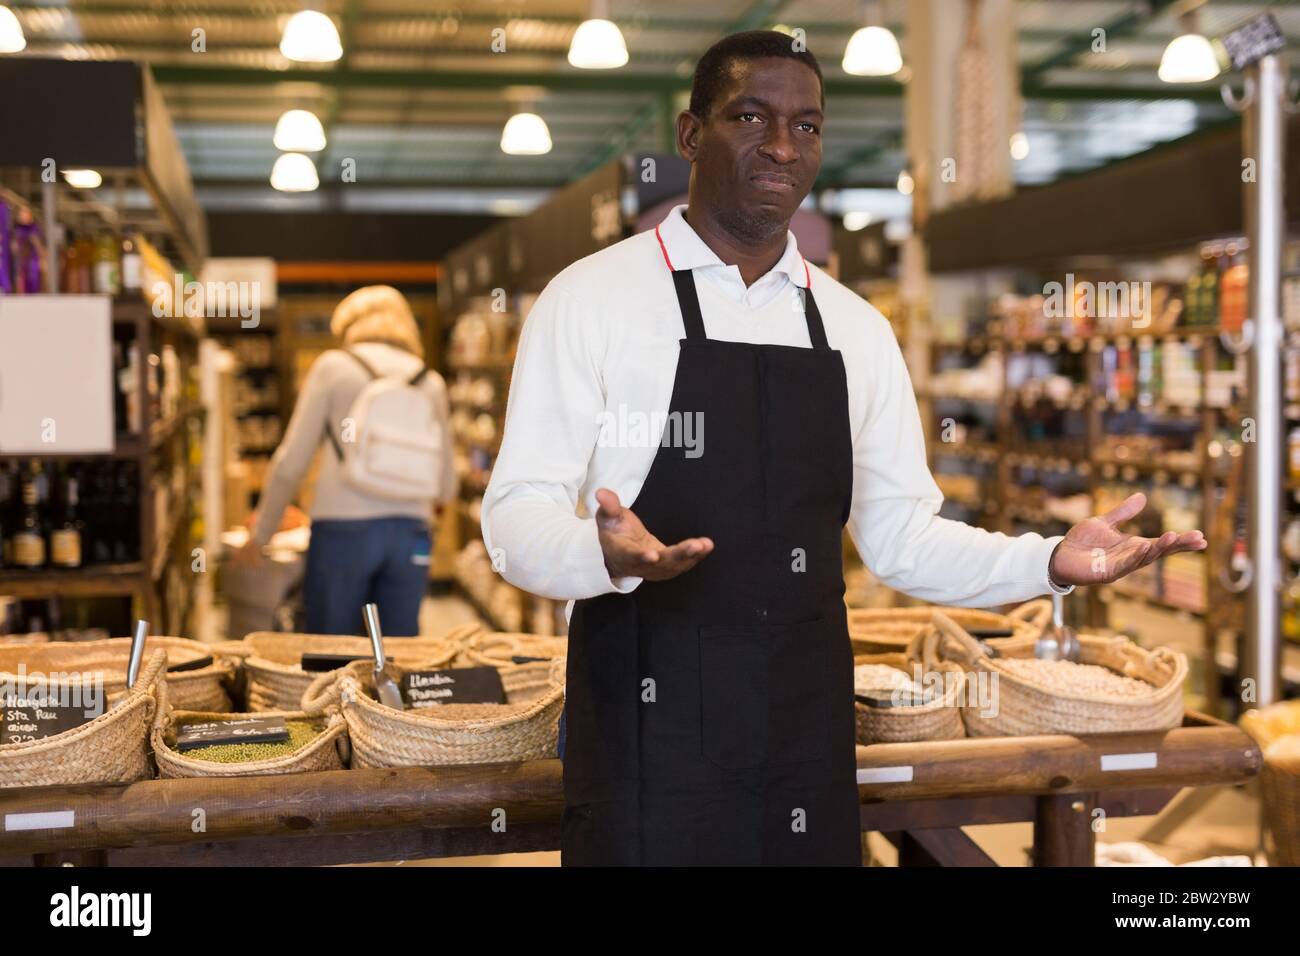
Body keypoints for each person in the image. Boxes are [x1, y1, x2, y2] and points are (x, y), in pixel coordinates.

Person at [481, 31, 1207, 866]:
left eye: (808, 125)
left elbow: (900, 537)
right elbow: (514, 516)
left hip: (804, 722)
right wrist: (600, 552)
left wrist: (1046, 562)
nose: (784, 146)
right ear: (689, 135)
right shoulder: (591, 300)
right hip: (648, 723)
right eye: (751, 116)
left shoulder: (857, 330)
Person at [236, 285, 456, 637]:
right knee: (401, 652)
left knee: (332, 650)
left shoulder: (334, 368)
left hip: (343, 529)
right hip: (411, 534)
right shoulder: (431, 382)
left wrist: (261, 534)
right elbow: (446, 484)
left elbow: (292, 461)